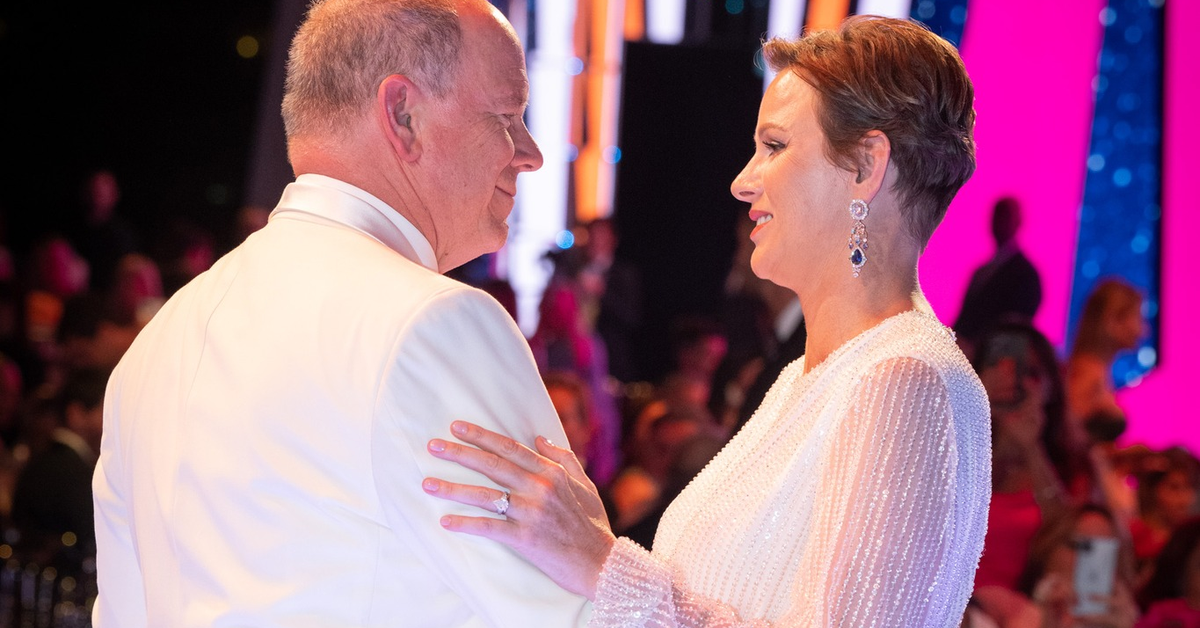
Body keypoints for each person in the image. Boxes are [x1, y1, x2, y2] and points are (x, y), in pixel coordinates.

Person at [423, 15, 991, 626]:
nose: (743, 181)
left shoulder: (904, 380)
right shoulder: (813, 376)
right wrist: (591, 541)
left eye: (773, 146)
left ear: (865, 165)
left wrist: (602, 564)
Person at [92, 1, 591, 626]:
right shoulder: (432, 325)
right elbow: (572, 611)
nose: (531, 153)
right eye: (508, 117)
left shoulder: (158, 342)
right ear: (402, 114)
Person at [953, 196, 1043, 358]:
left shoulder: (1026, 275)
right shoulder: (981, 272)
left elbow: (1015, 328)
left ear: (1017, 222)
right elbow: (964, 318)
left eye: (1005, 217)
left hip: (992, 362)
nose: (999, 223)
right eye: (997, 216)